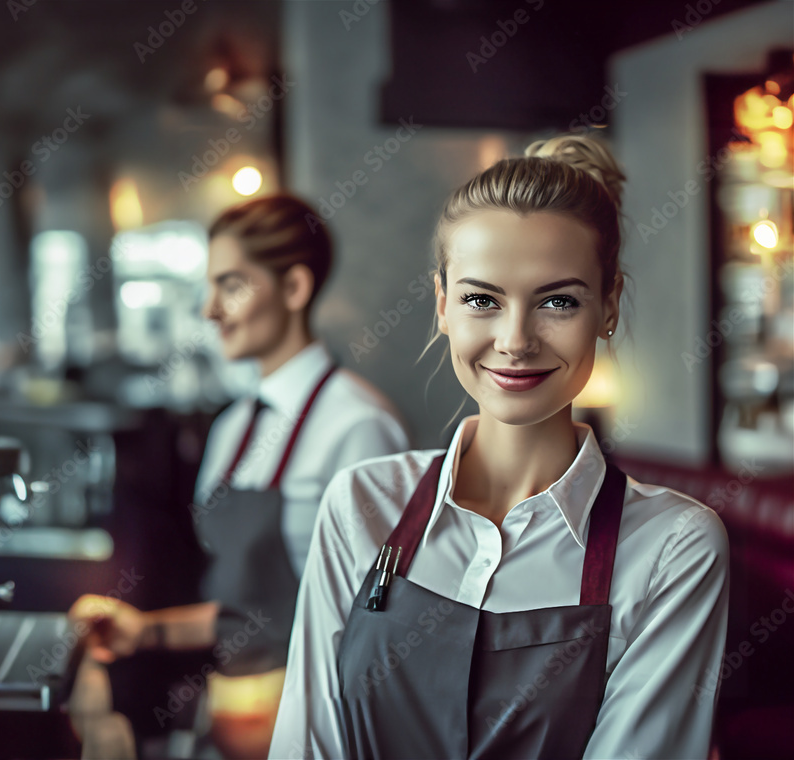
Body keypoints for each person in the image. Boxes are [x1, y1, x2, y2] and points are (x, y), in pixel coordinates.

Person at [269, 136, 730, 760]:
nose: (515, 340)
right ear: (442, 305)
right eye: (482, 299)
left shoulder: (674, 548)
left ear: (609, 305)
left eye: (557, 301)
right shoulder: (362, 503)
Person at [69, 194, 410, 758]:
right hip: (231, 715)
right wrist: (145, 630)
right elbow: (250, 612)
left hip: (320, 727)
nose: (209, 310)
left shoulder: (360, 428)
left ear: (295, 289)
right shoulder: (231, 428)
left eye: (231, 285)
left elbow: (385, 625)